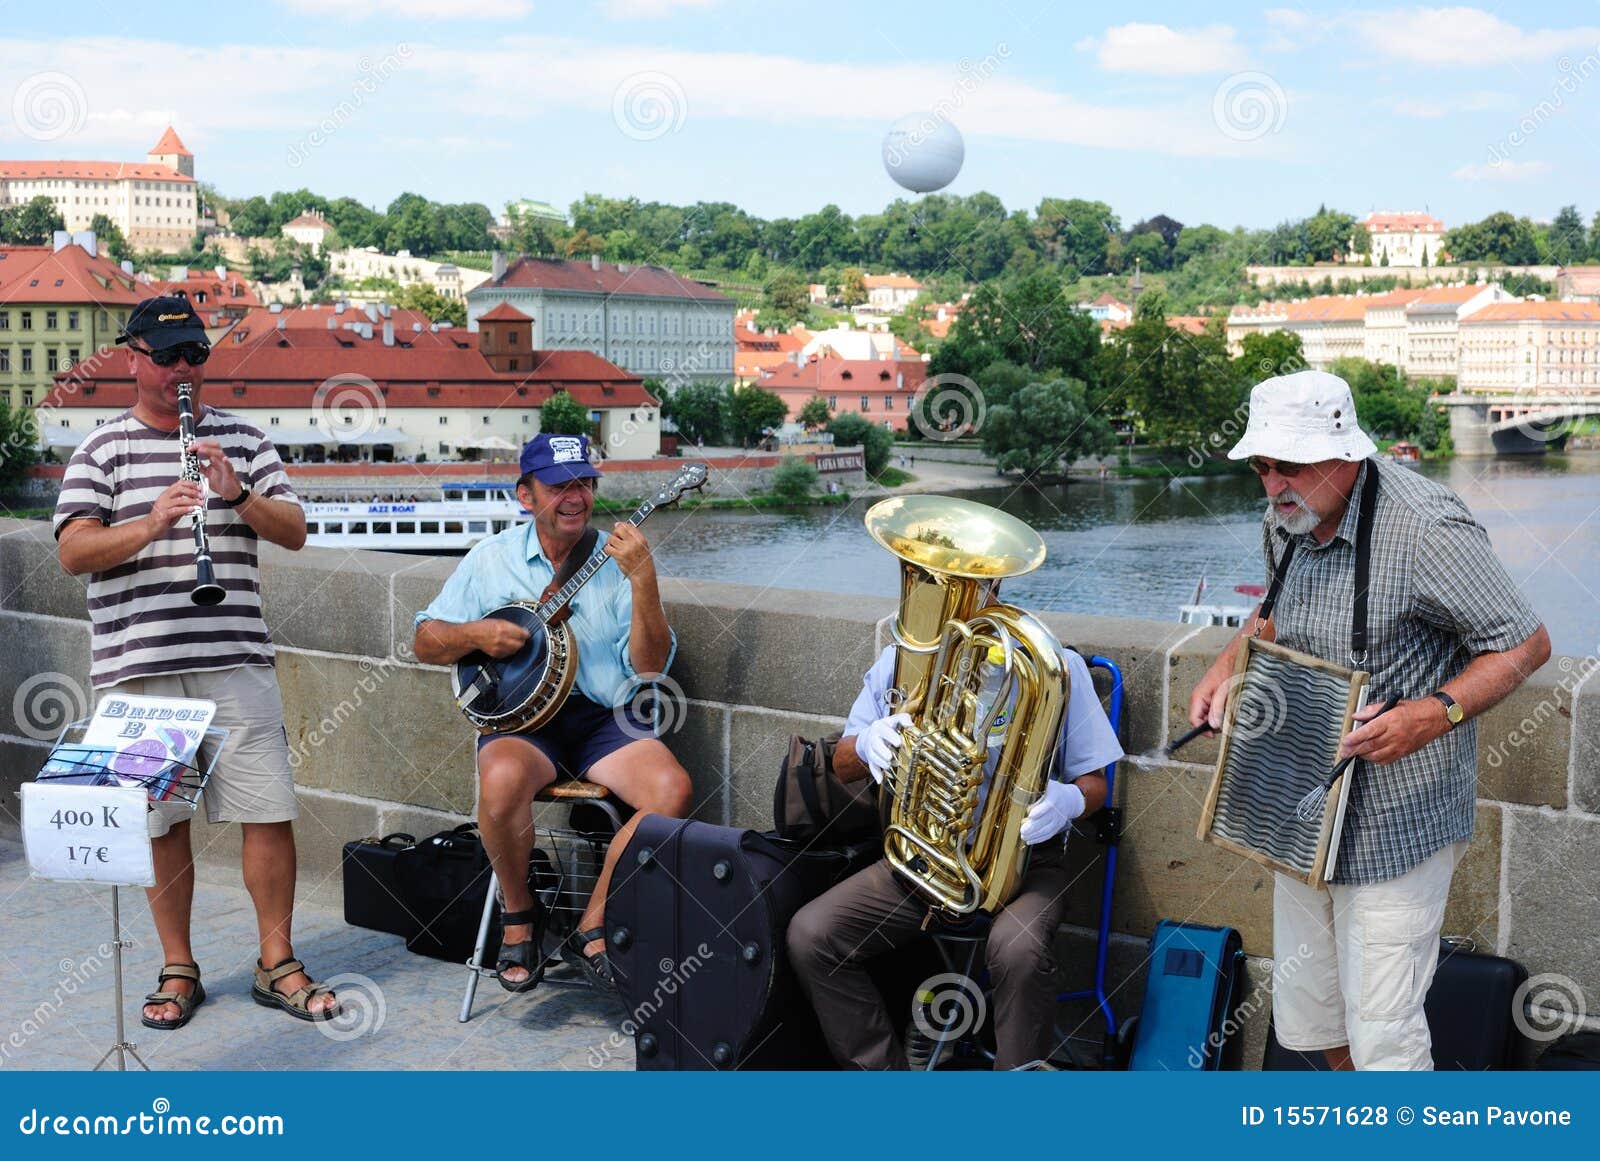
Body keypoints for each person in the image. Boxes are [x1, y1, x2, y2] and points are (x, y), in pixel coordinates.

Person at [1187, 370, 1549, 1071]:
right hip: (1305, 806)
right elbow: (1274, 606)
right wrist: (1228, 661)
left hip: (1397, 819)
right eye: (1262, 467)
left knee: (1386, 1034)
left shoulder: (1426, 526)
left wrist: (1431, 713)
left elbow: (1526, 643)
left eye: (1287, 465)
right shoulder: (1286, 515)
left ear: (1345, 453)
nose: (1272, 485)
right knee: (1314, 1014)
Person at [54, 294, 340, 1029]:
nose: (185, 368)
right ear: (133, 359)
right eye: (169, 355)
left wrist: (236, 493)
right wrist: (149, 523)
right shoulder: (102, 450)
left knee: (268, 811)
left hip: (234, 655)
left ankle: (276, 962)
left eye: (195, 355)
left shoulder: (242, 439)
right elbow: (72, 550)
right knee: (160, 822)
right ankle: (179, 964)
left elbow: (296, 531)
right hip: (138, 666)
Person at [787, 589, 1123, 1070]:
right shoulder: (899, 661)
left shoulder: (1056, 666)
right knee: (812, 934)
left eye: (968, 582)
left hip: (1024, 865)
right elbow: (840, 764)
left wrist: (1068, 800)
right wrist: (866, 745)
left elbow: (1096, 785)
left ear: (995, 587)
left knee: (1018, 949)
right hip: (923, 856)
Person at [412, 432, 691, 992]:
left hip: (601, 718)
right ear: (525, 495)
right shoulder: (490, 560)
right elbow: (425, 640)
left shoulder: (617, 563)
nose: (575, 496)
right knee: (502, 778)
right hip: (522, 722)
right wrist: (476, 634)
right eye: (559, 485)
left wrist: (645, 582)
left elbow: (652, 666)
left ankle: (595, 920)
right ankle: (521, 915)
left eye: (585, 484)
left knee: (672, 791)